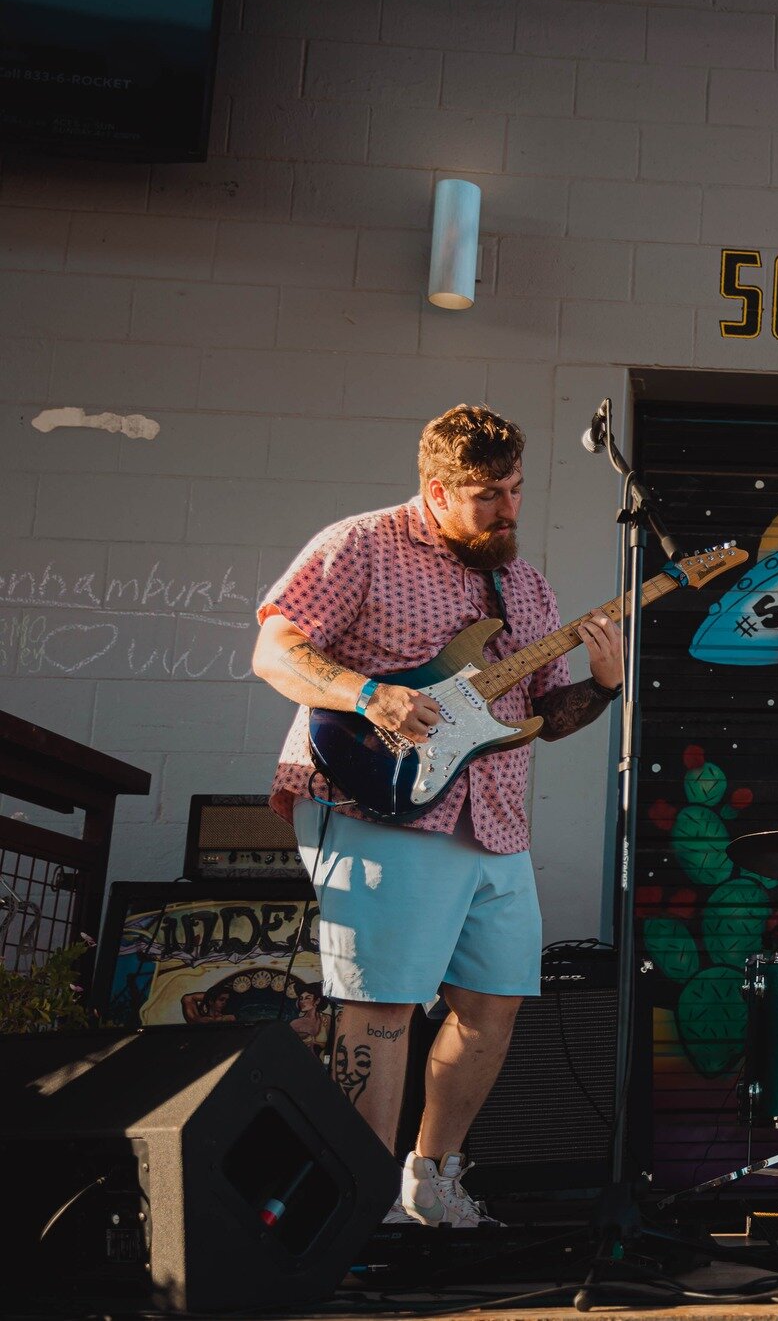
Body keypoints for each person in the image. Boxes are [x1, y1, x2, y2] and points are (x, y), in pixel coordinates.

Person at [252, 404, 624, 1228]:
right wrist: (369, 693)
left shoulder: (525, 586)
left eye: (518, 489)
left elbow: (540, 717)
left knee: (493, 1002)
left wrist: (599, 685)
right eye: (488, 494)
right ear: (436, 488)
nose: (510, 509)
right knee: (381, 1006)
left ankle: (430, 1178)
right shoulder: (362, 543)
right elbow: (273, 649)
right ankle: (358, 1200)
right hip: (374, 798)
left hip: (492, 820)